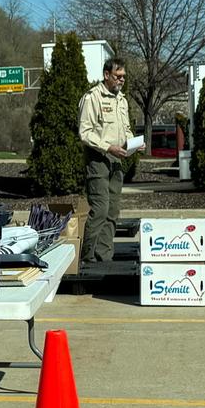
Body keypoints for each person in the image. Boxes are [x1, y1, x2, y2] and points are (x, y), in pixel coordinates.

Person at [77, 57, 132, 269]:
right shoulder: (92, 98)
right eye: (118, 76)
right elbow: (85, 132)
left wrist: (132, 143)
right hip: (98, 158)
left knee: (113, 210)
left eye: (124, 77)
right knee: (100, 207)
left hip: (117, 159)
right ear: (106, 75)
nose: (121, 80)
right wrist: (108, 147)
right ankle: (87, 256)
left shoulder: (122, 100)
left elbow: (125, 129)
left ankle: (104, 255)